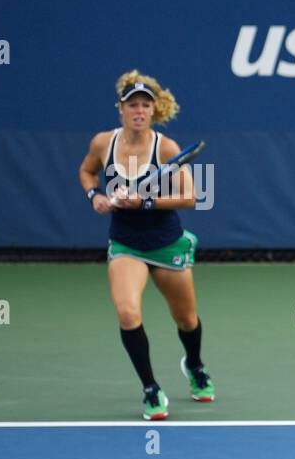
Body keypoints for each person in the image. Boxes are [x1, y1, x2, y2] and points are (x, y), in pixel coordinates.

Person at [78, 71, 214, 420]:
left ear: (153, 111)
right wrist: (96, 196)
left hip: (166, 243)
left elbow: (191, 196)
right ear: (120, 109)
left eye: (145, 105)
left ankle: (195, 365)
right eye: (132, 105)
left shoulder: (165, 148)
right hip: (126, 244)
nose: (138, 110)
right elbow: (87, 172)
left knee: (186, 319)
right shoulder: (102, 143)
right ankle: (151, 389)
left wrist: (146, 202)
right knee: (127, 313)